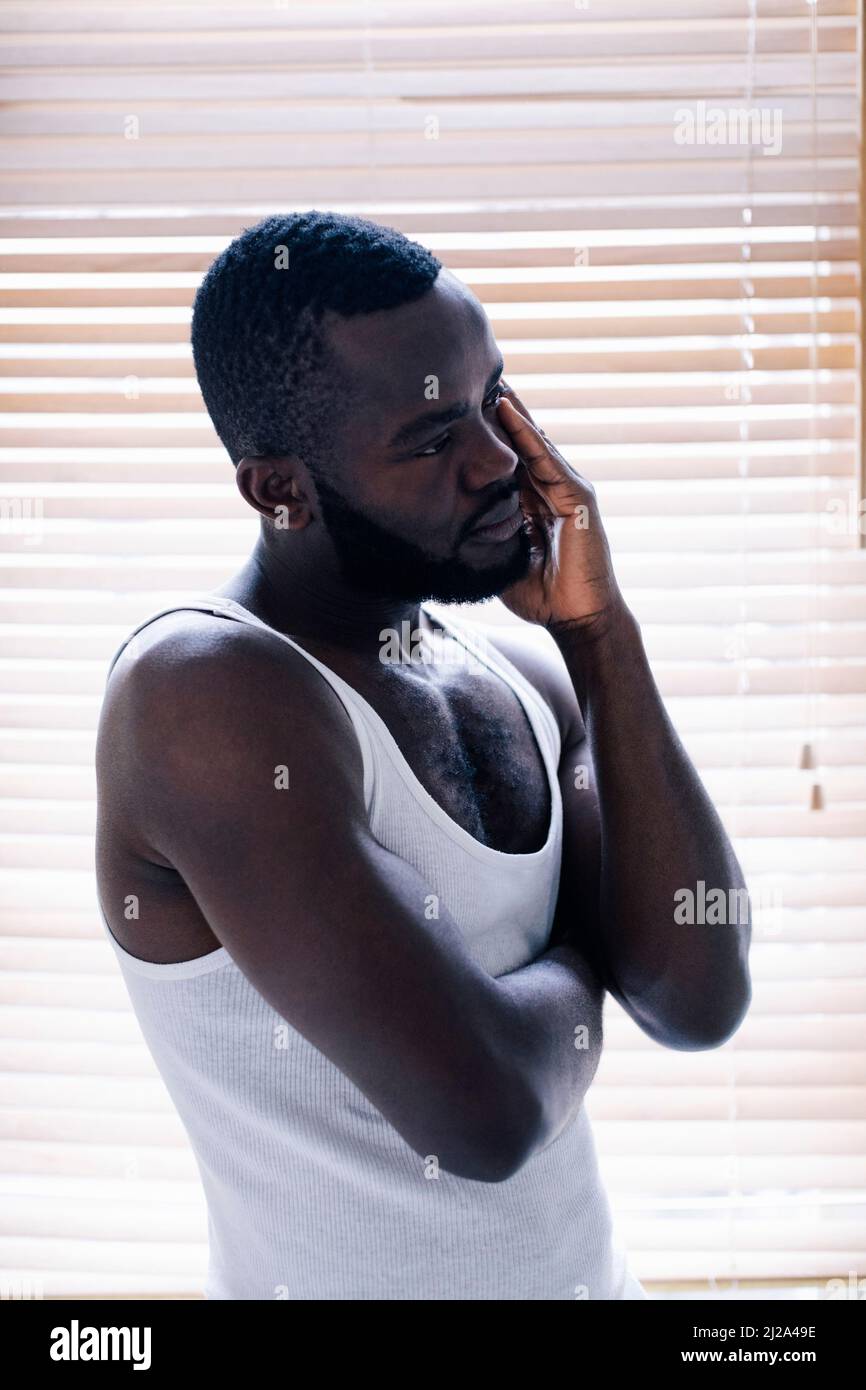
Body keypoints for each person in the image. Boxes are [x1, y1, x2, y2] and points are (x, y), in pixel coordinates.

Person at [95, 211, 751, 1300]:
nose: (501, 460)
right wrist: (592, 964)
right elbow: (483, 1114)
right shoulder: (204, 696)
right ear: (280, 491)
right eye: (433, 437)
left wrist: (599, 635)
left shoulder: (518, 673)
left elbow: (696, 997)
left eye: (495, 396)